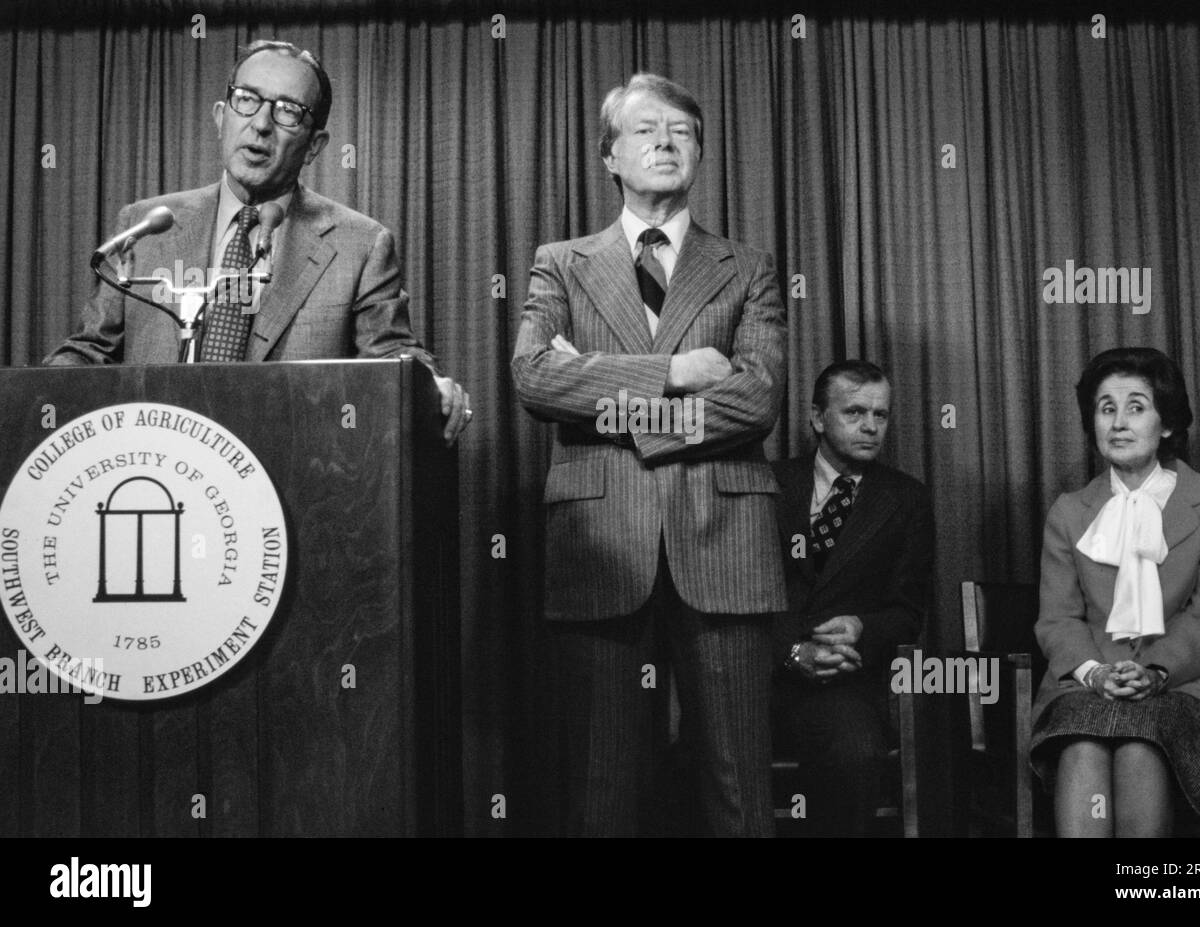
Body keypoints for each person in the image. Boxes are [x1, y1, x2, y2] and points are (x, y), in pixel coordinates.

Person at [512, 73, 787, 836]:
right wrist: (674, 371)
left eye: (682, 131)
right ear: (609, 156)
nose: (666, 143)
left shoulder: (749, 267)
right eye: (645, 130)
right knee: (602, 790)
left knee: (738, 789)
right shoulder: (560, 262)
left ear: (699, 152)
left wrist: (615, 405)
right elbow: (535, 377)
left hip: (725, 547)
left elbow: (756, 400)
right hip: (602, 546)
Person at [45, 39, 470, 445]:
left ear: (314, 145)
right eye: (247, 99)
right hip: (158, 465)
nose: (261, 124)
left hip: (291, 472)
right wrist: (33, 392)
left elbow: (392, 357)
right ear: (220, 117)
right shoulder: (146, 225)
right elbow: (92, 351)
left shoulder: (361, 244)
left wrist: (427, 383)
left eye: (288, 111)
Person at [1032, 347, 1200, 836]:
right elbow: (1057, 619)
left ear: (1165, 424)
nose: (1118, 422)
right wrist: (1095, 674)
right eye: (1105, 407)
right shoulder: (1069, 511)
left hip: (1189, 682)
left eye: (1136, 406)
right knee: (1082, 739)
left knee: (1140, 739)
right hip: (1087, 680)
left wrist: (1156, 671)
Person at [770, 360, 934, 835]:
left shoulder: (907, 500)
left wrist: (862, 628)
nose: (869, 426)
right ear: (818, 418)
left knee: (856, 755)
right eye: (854, 412)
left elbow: (907, 613)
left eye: (880, 415)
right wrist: (793, 651)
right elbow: (735, 596)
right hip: (760, 672)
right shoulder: (766, 484)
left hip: (843, 681)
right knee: (689, 751)